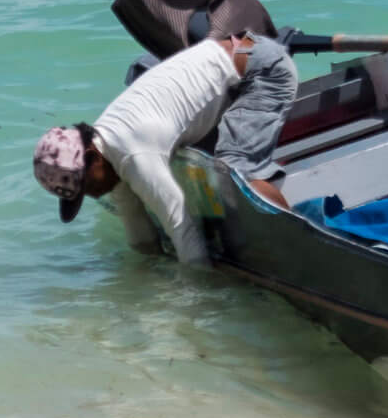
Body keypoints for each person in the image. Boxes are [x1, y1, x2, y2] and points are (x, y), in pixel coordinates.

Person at [33, 31, 296, 265]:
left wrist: (195, 296)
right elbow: (138, 233)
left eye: (87, 188)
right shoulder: (107, 145)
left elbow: (183, 229)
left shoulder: (135, 153)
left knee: (234, 172)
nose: (93, 195)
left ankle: (296, 237)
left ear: (93, 158)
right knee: (218, 175)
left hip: (262, 66)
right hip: (242, 50)